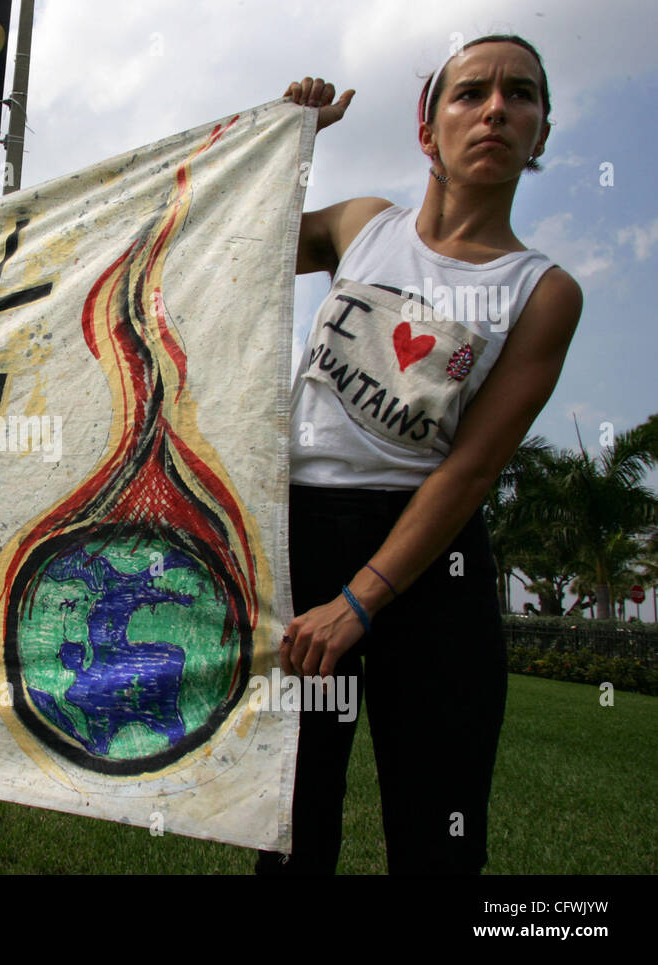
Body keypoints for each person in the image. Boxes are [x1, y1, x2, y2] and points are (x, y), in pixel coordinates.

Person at [259, 36, 582, 874]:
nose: (497, 109)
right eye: (471, 93)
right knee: (291, 822)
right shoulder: (364, 226)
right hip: (303, 537)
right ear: (427, 127)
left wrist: (359, 603)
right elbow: (232, 248)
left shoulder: (541, 291)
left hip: (432, 564)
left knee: (438, 830)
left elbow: (469, 469)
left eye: (521, 96)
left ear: (540, 132)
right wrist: (287, 138)